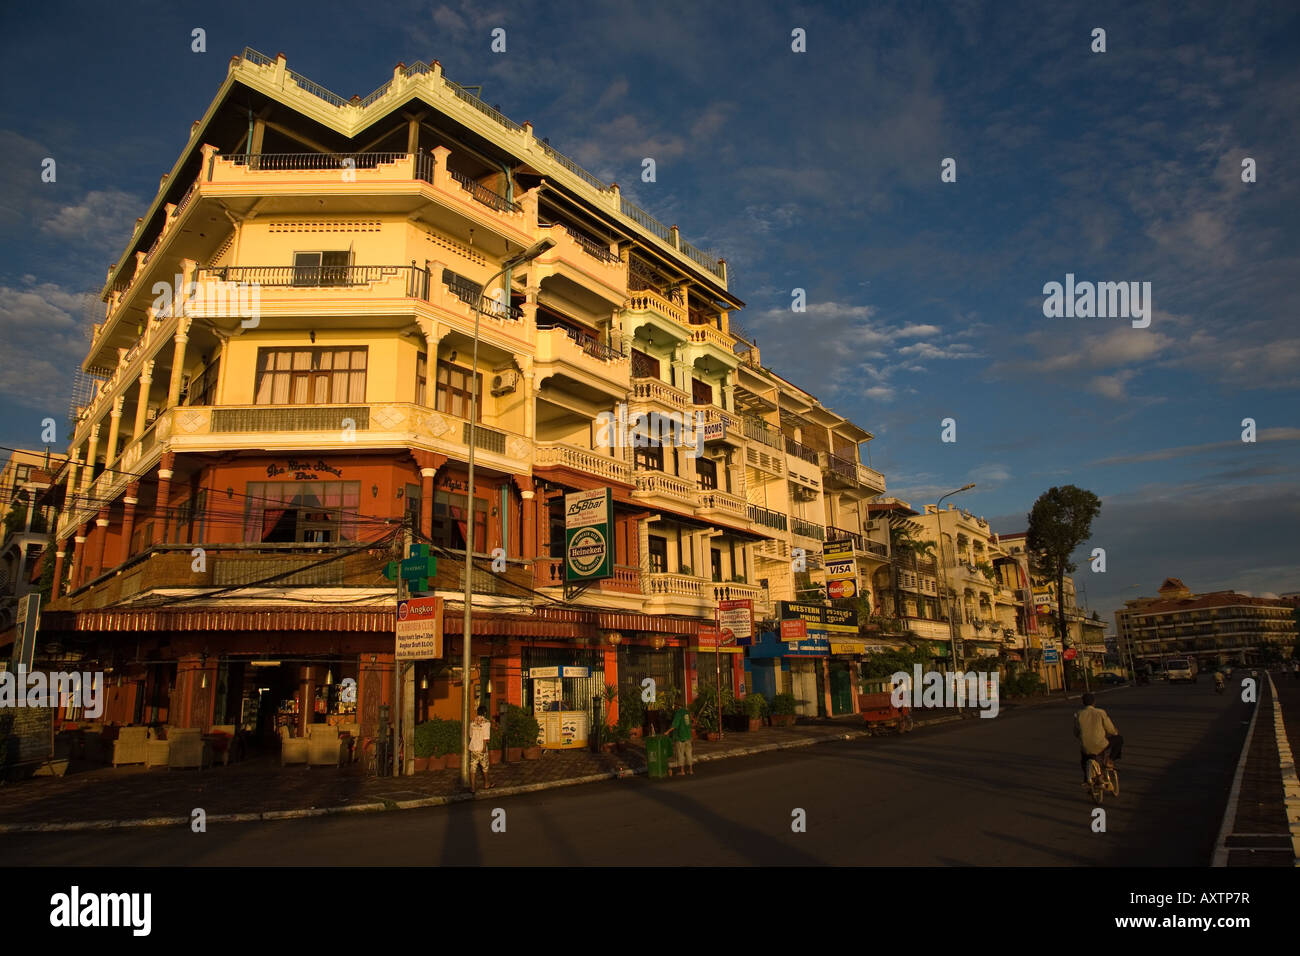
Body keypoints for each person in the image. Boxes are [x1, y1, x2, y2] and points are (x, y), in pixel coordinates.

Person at [1073, 692, 1119, 783]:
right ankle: (1110, 760)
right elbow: (1110, 729)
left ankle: (1087, 778)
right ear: (1094, 702)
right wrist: (1115, 732)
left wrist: (1081, 736)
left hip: (1086, 746)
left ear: (1083, 703)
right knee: (1119, 739)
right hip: (1100, 745)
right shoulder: (1100, 712)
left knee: (1084, 759)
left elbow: (1076, 732)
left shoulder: (1079, 714)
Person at [468, 705, 493, 792]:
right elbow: (486, 737)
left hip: (474, 747)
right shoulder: (486, 722)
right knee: (485, 767)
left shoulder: (472, 722)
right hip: (482, 747)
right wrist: (484, 747)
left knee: (473, 767)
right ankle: (486, 783)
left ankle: (473, 787)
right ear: (485, 713)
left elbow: (470, 735)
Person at [667, 703, 694, 777]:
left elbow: (675, 725)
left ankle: (682, 771)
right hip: (688, 736)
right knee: (689, 754)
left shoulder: (678, 713)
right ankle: (691, 770)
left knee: (680, 754)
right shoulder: (687, 712)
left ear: (676, 706)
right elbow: (691, 722)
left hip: (680, 737)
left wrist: (667, 732)